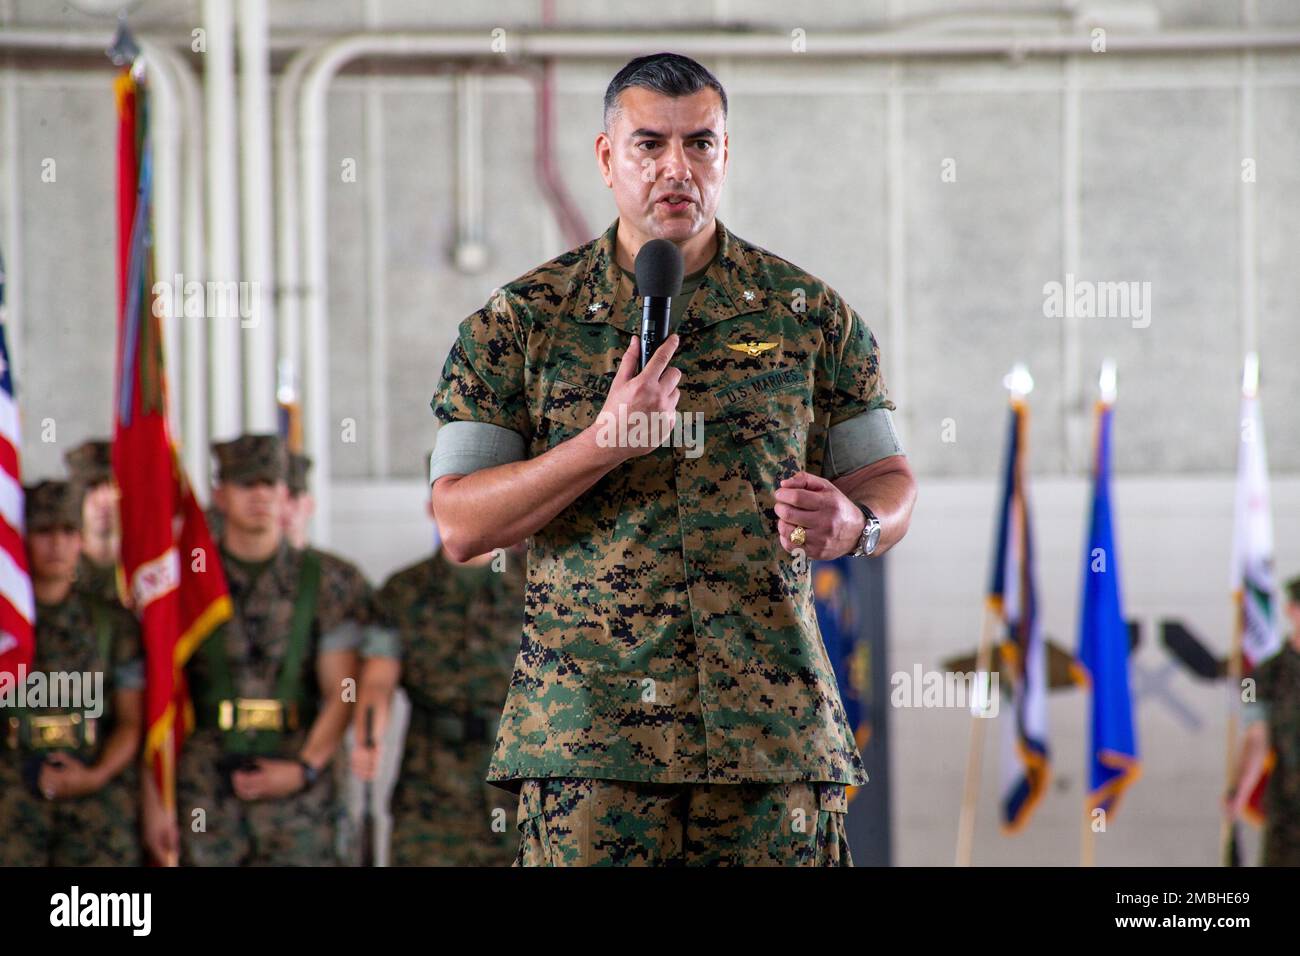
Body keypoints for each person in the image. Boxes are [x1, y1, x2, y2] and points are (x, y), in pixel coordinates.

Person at [428, 52, 916, 866]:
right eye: (649, 144)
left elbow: (890, 484)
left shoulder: (809, 316)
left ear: (726, 152)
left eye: (701, 144)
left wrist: (860, 524)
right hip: (591, 745)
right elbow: (459, 523)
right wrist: (598, 445)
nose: (675, 168)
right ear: (605, 157)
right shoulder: (518, 325)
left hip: (771, 737)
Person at [141, 434, 370, 866]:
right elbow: (159, 695)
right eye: (247, 484)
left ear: (287, 493)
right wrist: (158, 799)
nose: (261, 495)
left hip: (301, 790)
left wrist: (304, 767)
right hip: (207, 782)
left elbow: (343, 691)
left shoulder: (330, 579)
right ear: (220, 495)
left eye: (271, 483)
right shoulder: (186, 580)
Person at [352, 464, 524, 866]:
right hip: (429, 787)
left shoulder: (535, 585)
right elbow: (379, 678)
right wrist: (369, 736)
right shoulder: (403, 591)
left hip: (517, 782)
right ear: (433, 508)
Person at [0, 480, 144, 865]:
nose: (57, 544)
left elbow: (131, 722)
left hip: (96, 803)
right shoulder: (7, 625)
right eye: (45, 532)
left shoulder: (112, 624)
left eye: (68, 531)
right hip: (12, 803)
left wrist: (96, 776)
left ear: (81, 540)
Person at [1229, 575, 1300, 865]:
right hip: (1289, 814)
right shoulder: (1261, 676)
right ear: (1291, 611)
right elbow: (1256, 738)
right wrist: (1239, 791)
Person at [64, 439, 123, 606]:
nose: (103, 500)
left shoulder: (143, 567)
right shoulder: (60, 567)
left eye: (112, 486)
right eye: (92, 488)